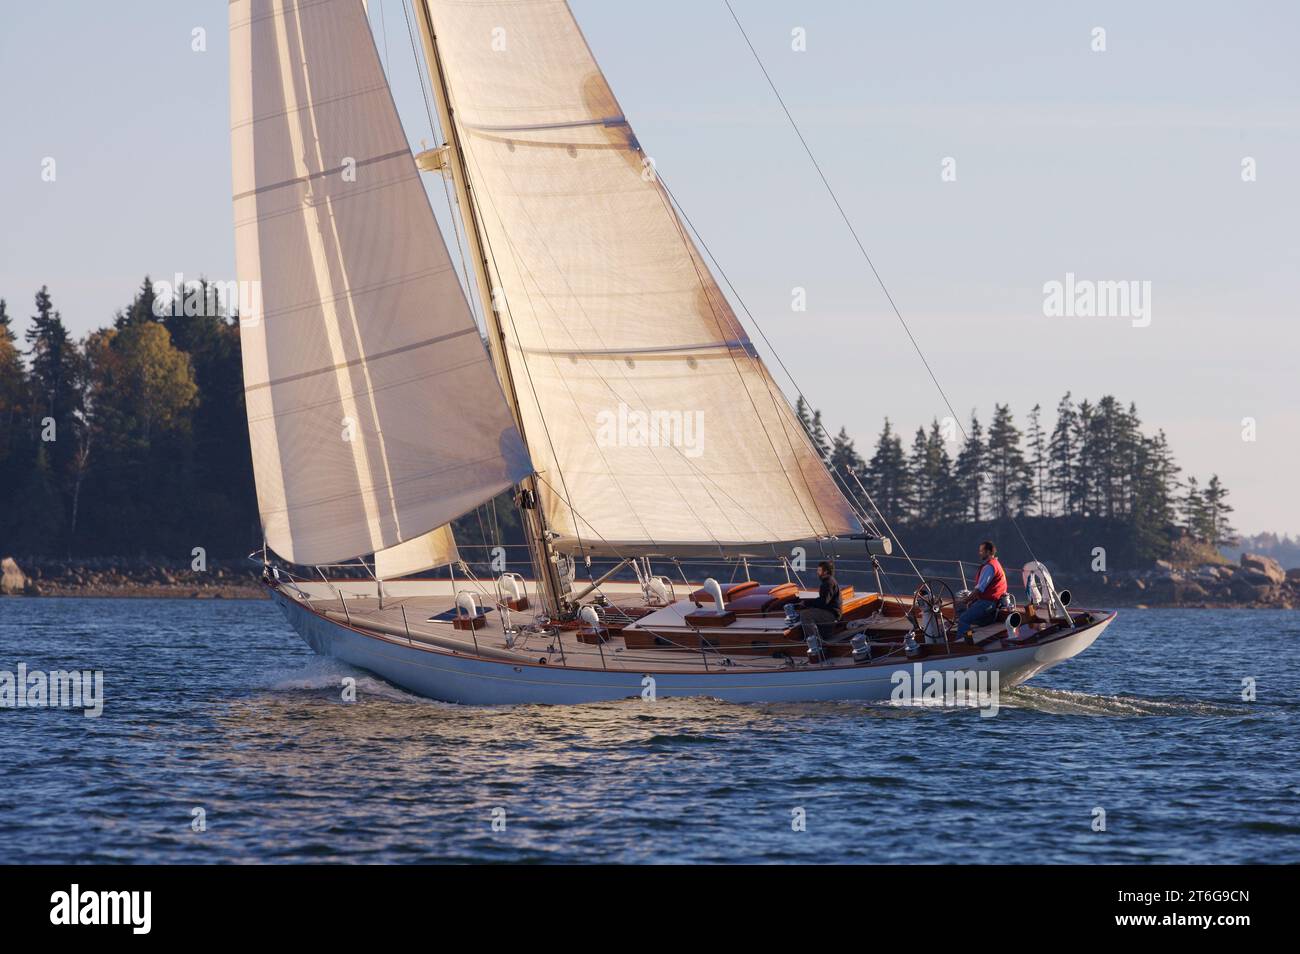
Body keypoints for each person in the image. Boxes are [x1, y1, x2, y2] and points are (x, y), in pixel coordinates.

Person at [957, 540, 1007, 636]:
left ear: (988, 552)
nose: (979, 553)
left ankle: (962, 643)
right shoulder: (996, 563)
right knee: (961, 611)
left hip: (987, 604)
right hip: (993, 604)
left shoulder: (989, 567)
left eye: (981, 551)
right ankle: (968, 633)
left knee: (963, 619)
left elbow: (979, 589)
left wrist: (966, 600)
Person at [798, 560, 841, 656]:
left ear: (825, 572)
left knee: (805, 615)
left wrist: (806, 603)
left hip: (831, 615)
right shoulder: (829, 581)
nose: (817, 572)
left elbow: (823, 602)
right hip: (831, 613)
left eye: (819, 570)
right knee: (809, 612)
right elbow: (823, 600)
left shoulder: (828, 583)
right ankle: (820, 637)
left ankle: (817, 644)